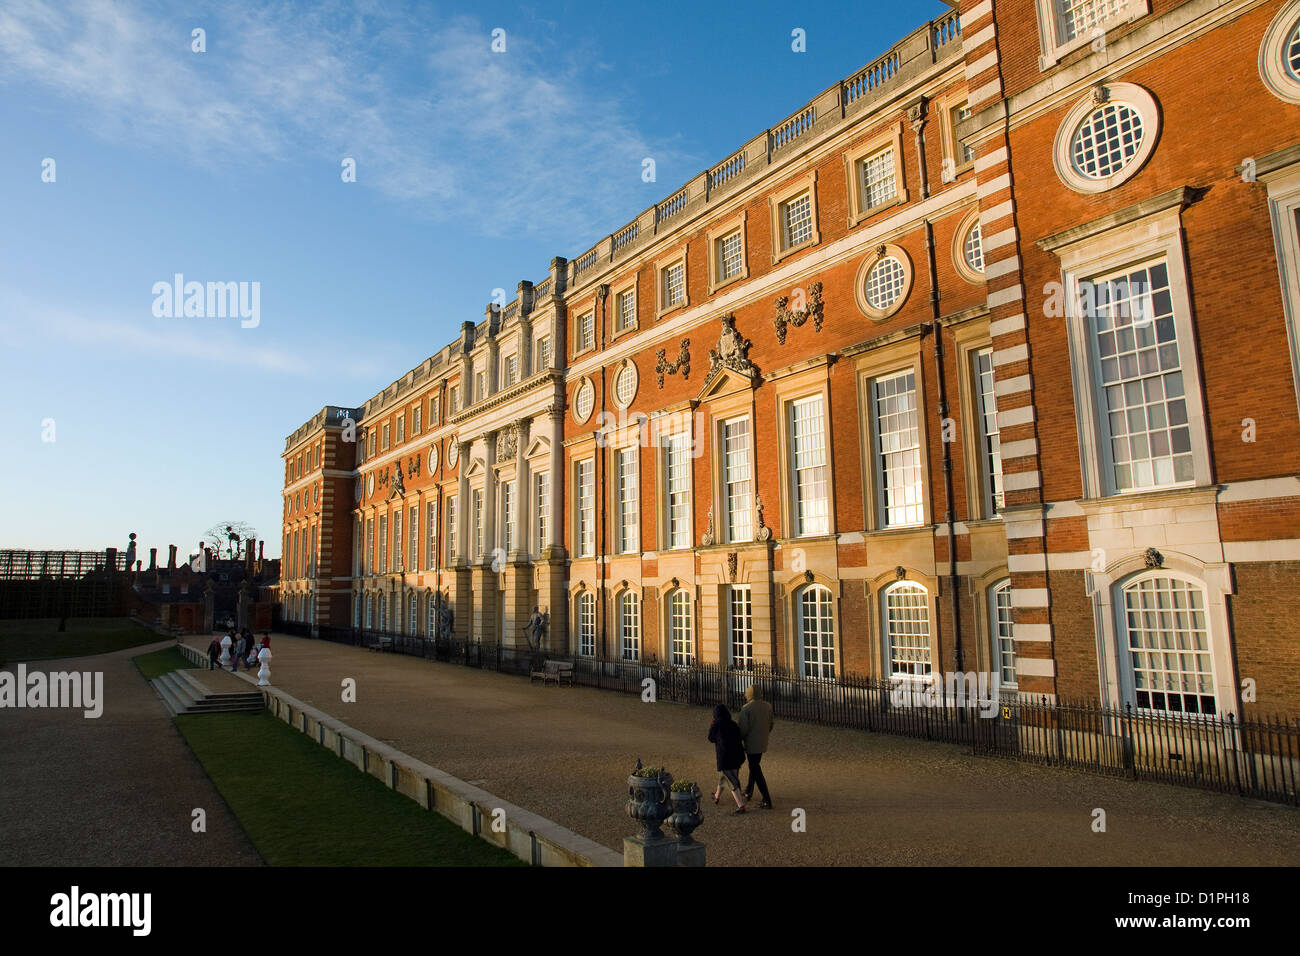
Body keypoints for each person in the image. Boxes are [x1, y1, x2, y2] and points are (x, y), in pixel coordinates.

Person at [738, 684, 775, 809]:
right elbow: (771, 724)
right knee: (754, 766)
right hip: (763, 742)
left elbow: (743, 729)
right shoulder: (768, 706)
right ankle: (749, 790)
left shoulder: (746, 708)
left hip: (751, 743)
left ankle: (767, 799)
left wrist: (741, 740)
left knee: (755, 768)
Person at [707, 704, 747, 814]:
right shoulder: (733, 724)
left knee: (730, 781)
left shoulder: (717, 725)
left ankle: (740, 805)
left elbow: (710, 738)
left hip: (725, 757)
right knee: (725, 778)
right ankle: (716, 796)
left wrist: (713, 726)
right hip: (737, 755)